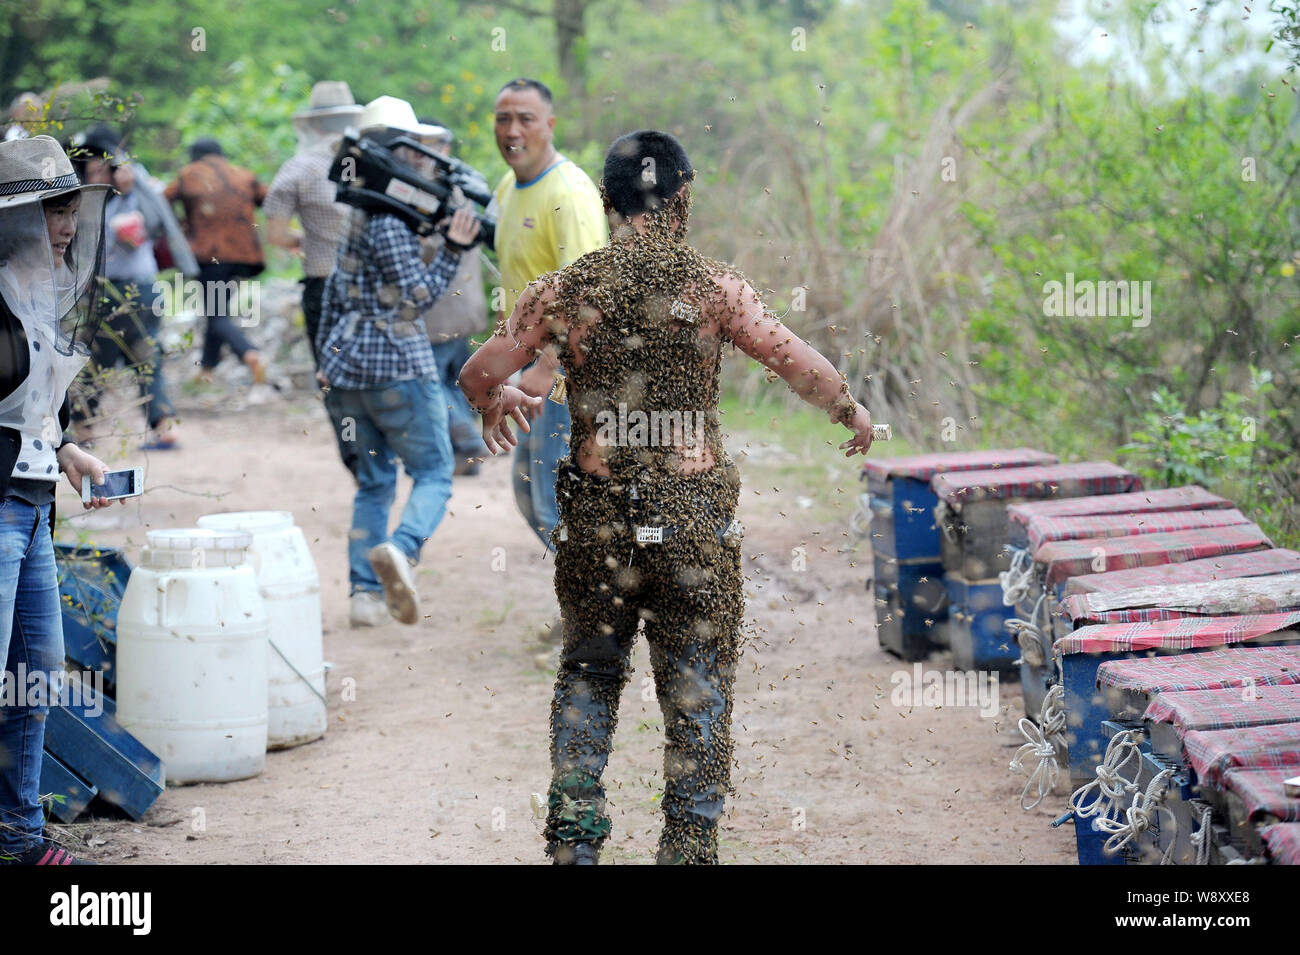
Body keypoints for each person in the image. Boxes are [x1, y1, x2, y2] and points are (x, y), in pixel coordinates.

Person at [459, 130, 875, 865]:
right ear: (682, 197)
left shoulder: (562, 291)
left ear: (609, 204)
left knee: (589, 670)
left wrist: (493, 402)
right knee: (697, 686)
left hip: (595, 520)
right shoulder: (714, 288)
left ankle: (576, 843)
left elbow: (478, 371)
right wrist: (848, 409)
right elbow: (793, 360)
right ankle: (687, 849)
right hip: (691, 522)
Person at [316, 97, 482, 628]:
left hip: (346, 368)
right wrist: (454, 250)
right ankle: (403, 550)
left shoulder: (357, 213)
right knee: (434, 471)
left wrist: (325, 359)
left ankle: (364, 597)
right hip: (398, 365)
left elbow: (333, 296)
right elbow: (415, 300)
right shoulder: (390, 220)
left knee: (372, 482)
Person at [0, 135, 119, 865]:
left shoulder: (38, 288)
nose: (68, 225)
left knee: (33, 671)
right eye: (52, 210)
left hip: (32, 504)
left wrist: (68, 448)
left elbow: (39, 402)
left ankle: (19, 836)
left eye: (72, 208)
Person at [491, 77, 607, 648]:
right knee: (527, 493)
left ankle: (600, 616)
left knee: (552, 497)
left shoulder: (570, 195)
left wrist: (548, 367)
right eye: (503, 118)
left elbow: (590, 296)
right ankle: (595, 601)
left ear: (550, 125)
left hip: (572, 374)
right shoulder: (507, 191)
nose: (513, 131)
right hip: (530, 371)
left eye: (526, 119)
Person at [66, 126, 197, 450]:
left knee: (146, 357)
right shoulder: (85, 194)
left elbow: (160, 220)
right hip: (99, 289)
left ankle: (161, 427)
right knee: (97, 361)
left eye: (100, 161)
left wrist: (129, 176)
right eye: (90, 163)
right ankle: (84, 432)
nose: (94, 168)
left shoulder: (137, 186)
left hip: (138, 287)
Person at [264, 82, 363, 368]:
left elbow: (276, 234)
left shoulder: (298, 168)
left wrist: (309, 239)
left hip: (324, 283)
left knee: (331, 371)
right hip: (374, 284)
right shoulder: (370, 161)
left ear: (315, 125)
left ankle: (343, 414)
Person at [413, 119, 489, 476]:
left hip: (440, 310)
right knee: (455, 384)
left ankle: (469, 442)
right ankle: (465, 457)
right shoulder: (469, 182)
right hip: (467, 306)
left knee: (430, 384)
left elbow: (429, 249)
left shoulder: (431, 189)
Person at [163, 139, 268, 385]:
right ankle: (207, 370)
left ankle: (249, 353)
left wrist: (182, 229)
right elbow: (270, 200)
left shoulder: (189, 174)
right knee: (218, 310)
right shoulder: (242, 174)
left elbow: (160, 202)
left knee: (216, 313)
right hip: (245, 258)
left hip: (211, 256)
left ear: (195, 156)